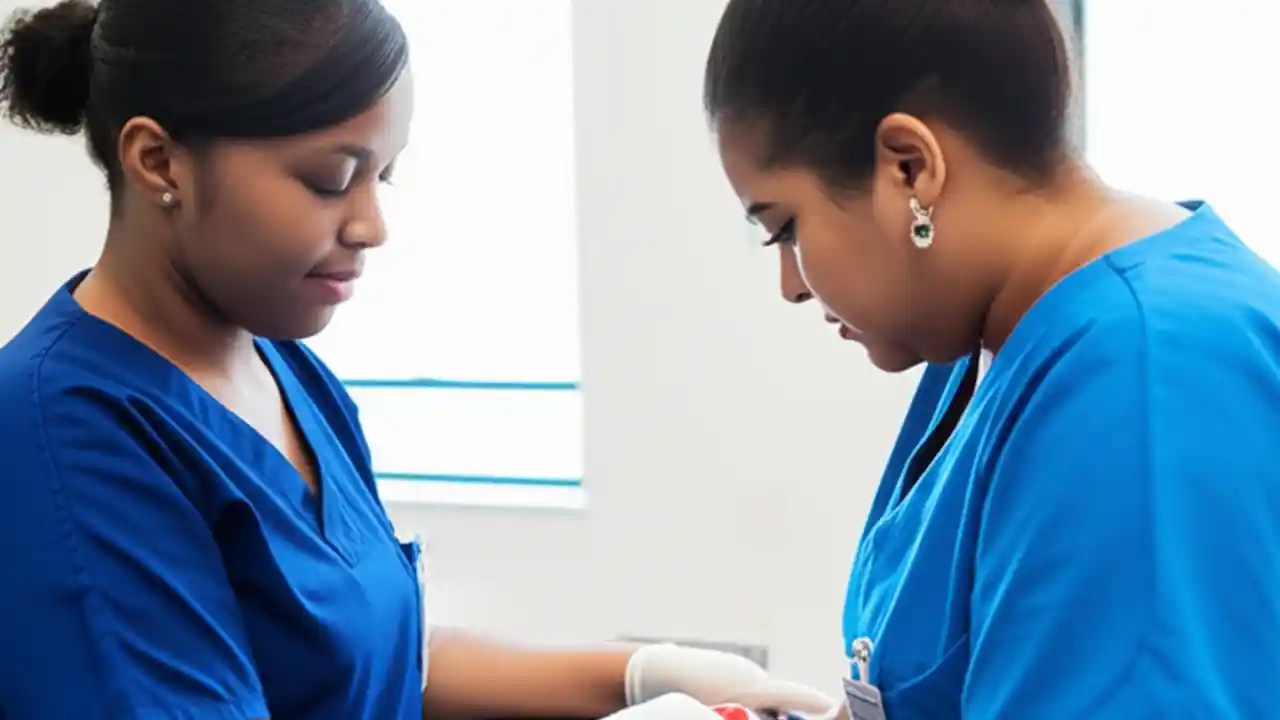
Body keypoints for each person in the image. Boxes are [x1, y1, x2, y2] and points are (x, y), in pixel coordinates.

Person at [0, 1, 837, 718]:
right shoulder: (61, 435)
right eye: (331, 179)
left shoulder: (285, 374)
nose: (371, 226)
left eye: (384, 179)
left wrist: (631, 672)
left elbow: (375, 657)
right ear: (158, 163)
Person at [703, 0, 1280, 717]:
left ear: (911, 168)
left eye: (785, 229)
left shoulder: (1143, 377)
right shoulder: (998, 334)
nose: (792, 285)